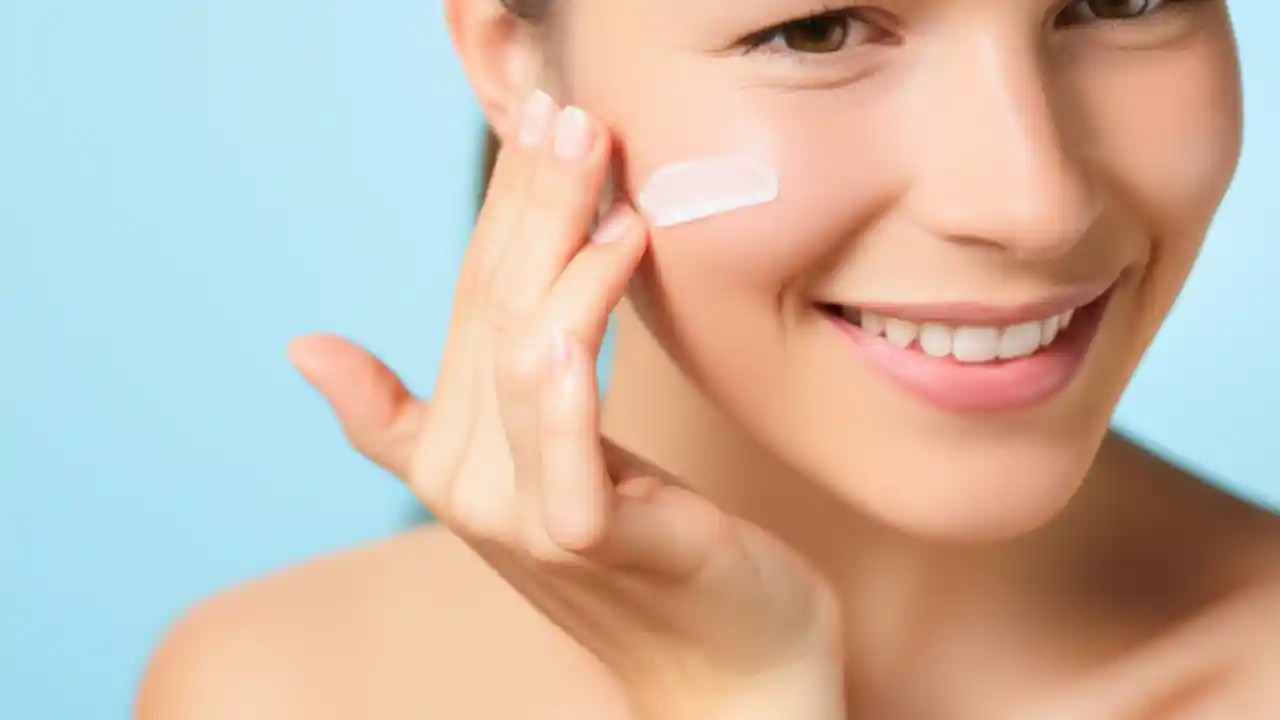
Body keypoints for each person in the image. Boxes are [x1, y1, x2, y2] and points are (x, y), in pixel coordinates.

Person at [135, 0, 1280, 717]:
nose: (1033, 202)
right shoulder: (277, 689)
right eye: (817, 32)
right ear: (515, 62)